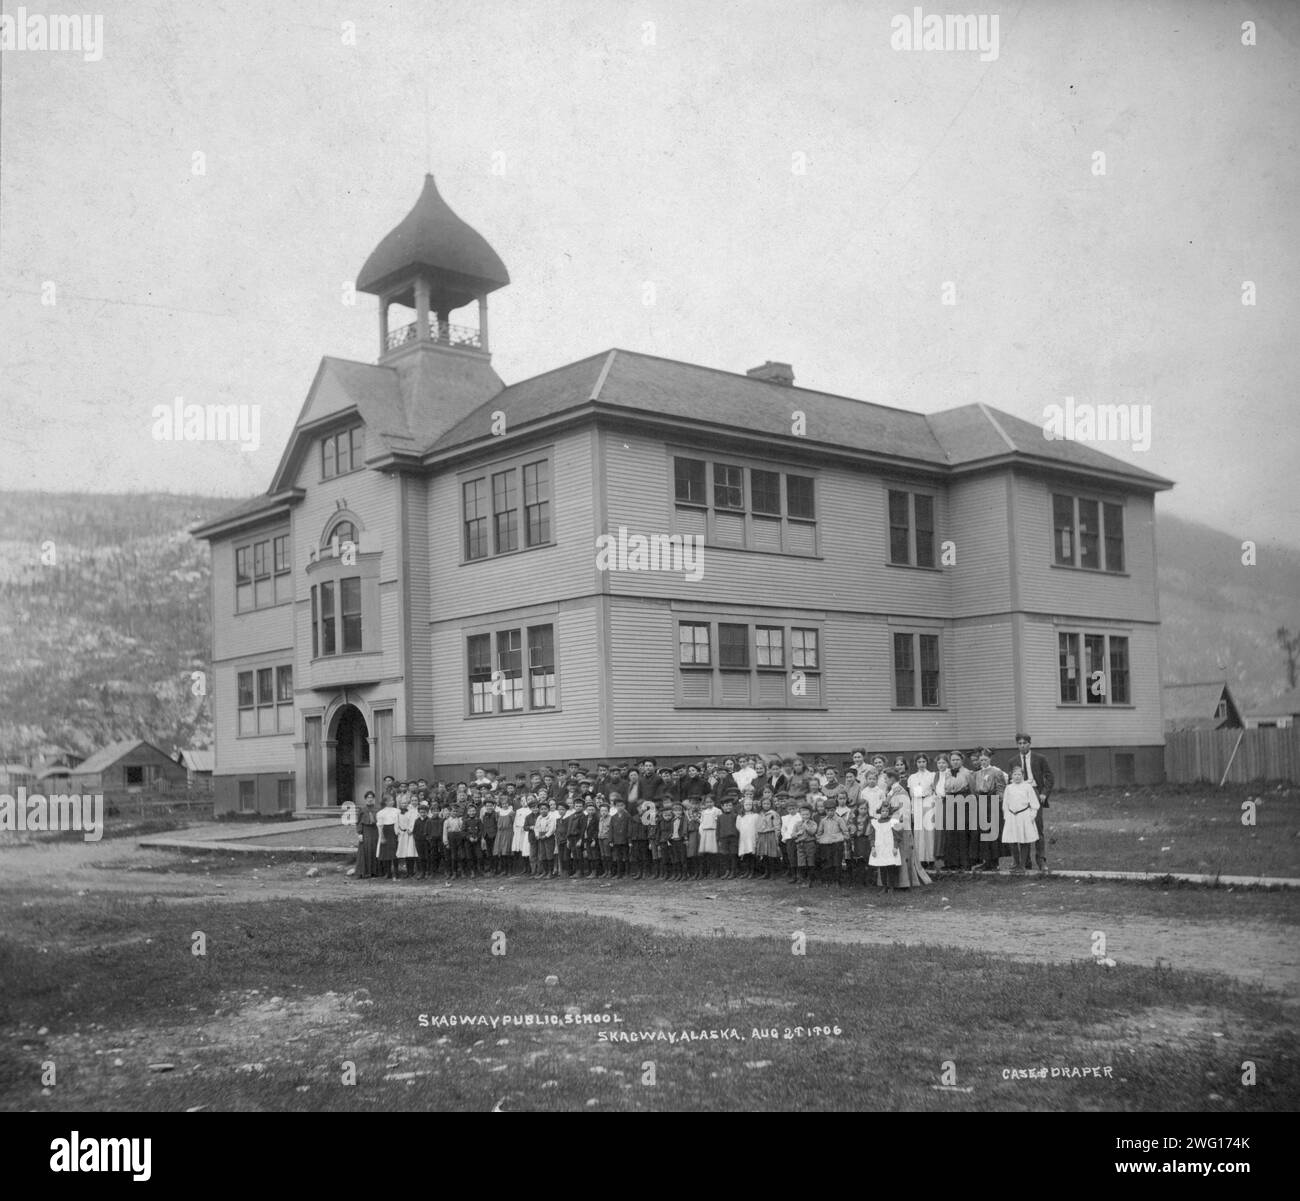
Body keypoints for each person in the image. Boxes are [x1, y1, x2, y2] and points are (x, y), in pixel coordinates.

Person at [1012, 733, 1055, 873]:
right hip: (1020, 794)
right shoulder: (1013, 761)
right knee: (1022, 828)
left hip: (1035, 792)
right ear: (1017, 744)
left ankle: (1041, 860)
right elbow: (1011, 780)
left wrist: (1044, 793)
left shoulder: (1040, 758)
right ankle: (1025, 862)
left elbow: (1049, 777)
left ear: (1029, 744)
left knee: (1037, 826)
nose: (1022, 745)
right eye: (1020, 743)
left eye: (1025, 743)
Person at [971, 749, 1008, 872]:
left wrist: (998, 801)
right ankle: (986, 860)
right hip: (981, 801)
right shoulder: (978, 773)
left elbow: (1001, 787)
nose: (983, 762)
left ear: (990, 759)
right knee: (983, 831)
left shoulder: (996, 772)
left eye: (985, 760)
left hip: (993, 801)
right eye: (981, 760)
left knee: (993, 830)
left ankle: (994, 861)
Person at [1001, 764, 1040, 873]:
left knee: (1024, 841)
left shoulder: (1027, 787)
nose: (1017, 777)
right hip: (1012, 817)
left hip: (1024, 816)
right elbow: (1005, 804)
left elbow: (1034, 804)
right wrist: (1007, 816)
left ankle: (1022, 865)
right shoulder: (1009, 788)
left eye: (1019, 774)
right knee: (1012, 841)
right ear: (1011, 776)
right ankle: (1016, 862)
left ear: (1023, 775)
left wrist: (1031, 816)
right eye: (1015, 774)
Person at [908, 754, 938, 870]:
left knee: (929, 832)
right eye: (919, 762)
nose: (921, 764)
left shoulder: (932, 775)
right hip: (917, 803)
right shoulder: (912, 777)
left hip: (928, 802)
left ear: (927, 763)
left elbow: (935, 791)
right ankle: (920, 859)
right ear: (916, 763)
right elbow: (912, 795)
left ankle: (931, 859)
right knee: (919, 832)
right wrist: (912, 809)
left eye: (923, 761)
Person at [870, 798, 904, 893]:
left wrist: (895, 847)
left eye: (886, 811)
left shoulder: (893, 822)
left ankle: (891, 887)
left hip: (890, 847)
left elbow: (896, 836)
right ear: (880, 812)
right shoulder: (875, 823)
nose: (884, 813)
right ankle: (884, 886)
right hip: (880, 848)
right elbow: (872, 836)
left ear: (889, 812)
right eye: (883, 811)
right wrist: (873, 847)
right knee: (882, 867)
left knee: (891, 867)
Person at [376, 793, 400, 880]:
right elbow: (380, 826)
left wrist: (398, 833)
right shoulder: (381, 813)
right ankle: (388, 872)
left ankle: (396, 873)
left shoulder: (397, 811)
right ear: (386, 802)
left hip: (394, 831)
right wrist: (382, 837)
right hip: (385, 832)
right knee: (386, 854)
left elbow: (398, 823)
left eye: (393, 800)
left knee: (395, 853)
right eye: (390, 800)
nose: (393, 801)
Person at [794, 804, 818, 888]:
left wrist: (807, 827)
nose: (805, 816)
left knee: (810, 861)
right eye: (803, 814)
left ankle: (810, 880)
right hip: (800, 845)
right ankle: (802, 879)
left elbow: (813, 832)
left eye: (807, 814)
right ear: (800, 815)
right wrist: (797, 833)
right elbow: (792, 834)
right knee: (801, 862)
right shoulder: (797, 824)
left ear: (810, 814)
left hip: (810, 844)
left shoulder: (813, 823)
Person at [736, 793, 760, 878]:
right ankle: (747, 871)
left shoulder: (755, 816)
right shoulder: (740, 816)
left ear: (753, 805)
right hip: (744, 838)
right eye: (746, 804)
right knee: (745, 854)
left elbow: (757, 826)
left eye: (750, 804)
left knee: (752, 854)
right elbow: (738, 826)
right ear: (743, 806)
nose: (748, 806)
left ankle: (752, 871)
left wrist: (755, 835)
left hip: (752, 837)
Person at [356, 793, 379, 879]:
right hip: (366, 831)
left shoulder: (377, 809)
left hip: (375, 831)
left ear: (373, 799)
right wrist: (360, 833)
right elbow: (358, 822)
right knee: (365, 850)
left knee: (374, 849)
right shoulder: (362, 810)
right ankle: (364, 872)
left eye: (371, 797)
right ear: (365, 799)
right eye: (368, 797)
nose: (370, 799)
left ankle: (375, 872)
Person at [716, 799, 739, 879]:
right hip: (723, 838)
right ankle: (727, 871)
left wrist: (738, 838)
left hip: (733, 838)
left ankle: (733, 872)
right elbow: (718, 829)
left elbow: (738, 827)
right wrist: (718, 839)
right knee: (725, 855)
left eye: (730, 805)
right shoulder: (720, 817)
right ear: (722, 807)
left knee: (733, 855)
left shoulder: (735, 816)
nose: (728, 807)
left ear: (732, 806)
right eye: (726, 806)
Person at [698, 794, 720, 878]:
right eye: (707, 802)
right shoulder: (704, 812)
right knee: (707, 854)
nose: (709, 804)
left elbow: (718, 823)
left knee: (714, 853)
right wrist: (701, 832)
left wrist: (717, 833)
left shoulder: (717, 811)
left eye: (711, 802)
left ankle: (716, 871)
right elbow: (702, 823)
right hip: (705, 834)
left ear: (714, 802)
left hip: (713, 832)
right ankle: (709, 871)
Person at [609, 798, 631, 879]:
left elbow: (629, 829)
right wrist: (611, 840)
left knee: (626, 857)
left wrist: (629, 840)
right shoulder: (613, 817)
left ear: (624, 806)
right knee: (618, 857)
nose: (620, 807)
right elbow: (611, 829)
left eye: (621, 805)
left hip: (625, 840)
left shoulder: (627, 816)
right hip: (616, 840)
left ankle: (627, 873)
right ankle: (619, 873)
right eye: (618, 806)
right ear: (615, 807)